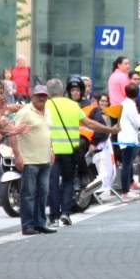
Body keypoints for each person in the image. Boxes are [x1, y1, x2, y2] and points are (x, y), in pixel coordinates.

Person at [47, 76, 116, 225]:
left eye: (78, 89)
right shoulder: (73, 106)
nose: (75, 92)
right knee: (67, 182)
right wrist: (111, 129)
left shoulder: (47, 105)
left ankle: (53, 216)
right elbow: (91, 124)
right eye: (73, 89)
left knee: (53, 183)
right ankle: (65, 213)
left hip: (54, 151)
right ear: (64, 90)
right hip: (71, 150)